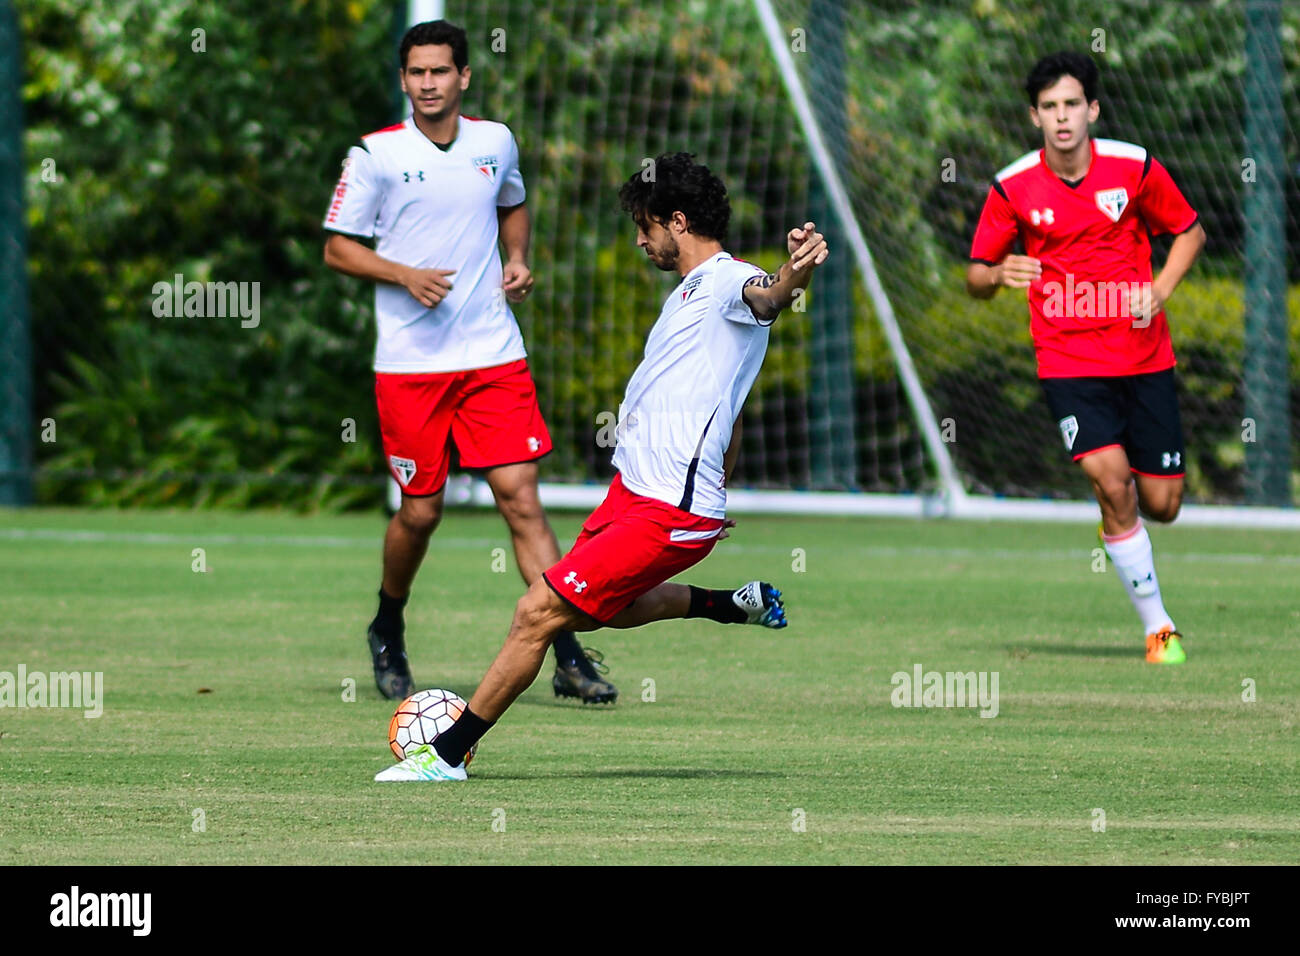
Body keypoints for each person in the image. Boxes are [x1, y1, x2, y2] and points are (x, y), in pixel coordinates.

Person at [376, 152, 828, 782]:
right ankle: (729, 605)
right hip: (635, 493)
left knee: (536, 612)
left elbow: (771, 295)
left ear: (677, 220)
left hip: (667, 507)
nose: (641, 240)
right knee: (602, 610)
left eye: (645, 227)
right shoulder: (688, 296)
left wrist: (793, 274)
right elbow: (731, 404)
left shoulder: (729, 279)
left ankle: (445, 755)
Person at [322, 19, 617, 702]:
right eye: (416, 73)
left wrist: (516, 259)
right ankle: (388, 625)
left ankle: (568, 654)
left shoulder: (495, 141)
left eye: (440, 72)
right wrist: (403, 274)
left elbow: (511, 200)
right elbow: (338, 248)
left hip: (492, 355)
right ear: (404, 80)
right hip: (410, 366)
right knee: (421, 514)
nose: (428, 83)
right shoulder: (374, 154)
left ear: (463, 77)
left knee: (523, 504)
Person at [965, 51, 1207, 664]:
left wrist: (1159, 290)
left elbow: (1190, 232)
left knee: (1163, 505)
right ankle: (1160, 630)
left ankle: (1126, 527)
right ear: (1034, 116)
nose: (1062, 117)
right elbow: (974, 275)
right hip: (1068, 360)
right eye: (1049, 107)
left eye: (1072, 104)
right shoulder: (1012, 184)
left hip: (1144, 356)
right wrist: (998, 273)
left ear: (1092, 109)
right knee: (1111, 481)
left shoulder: (1134, 167)